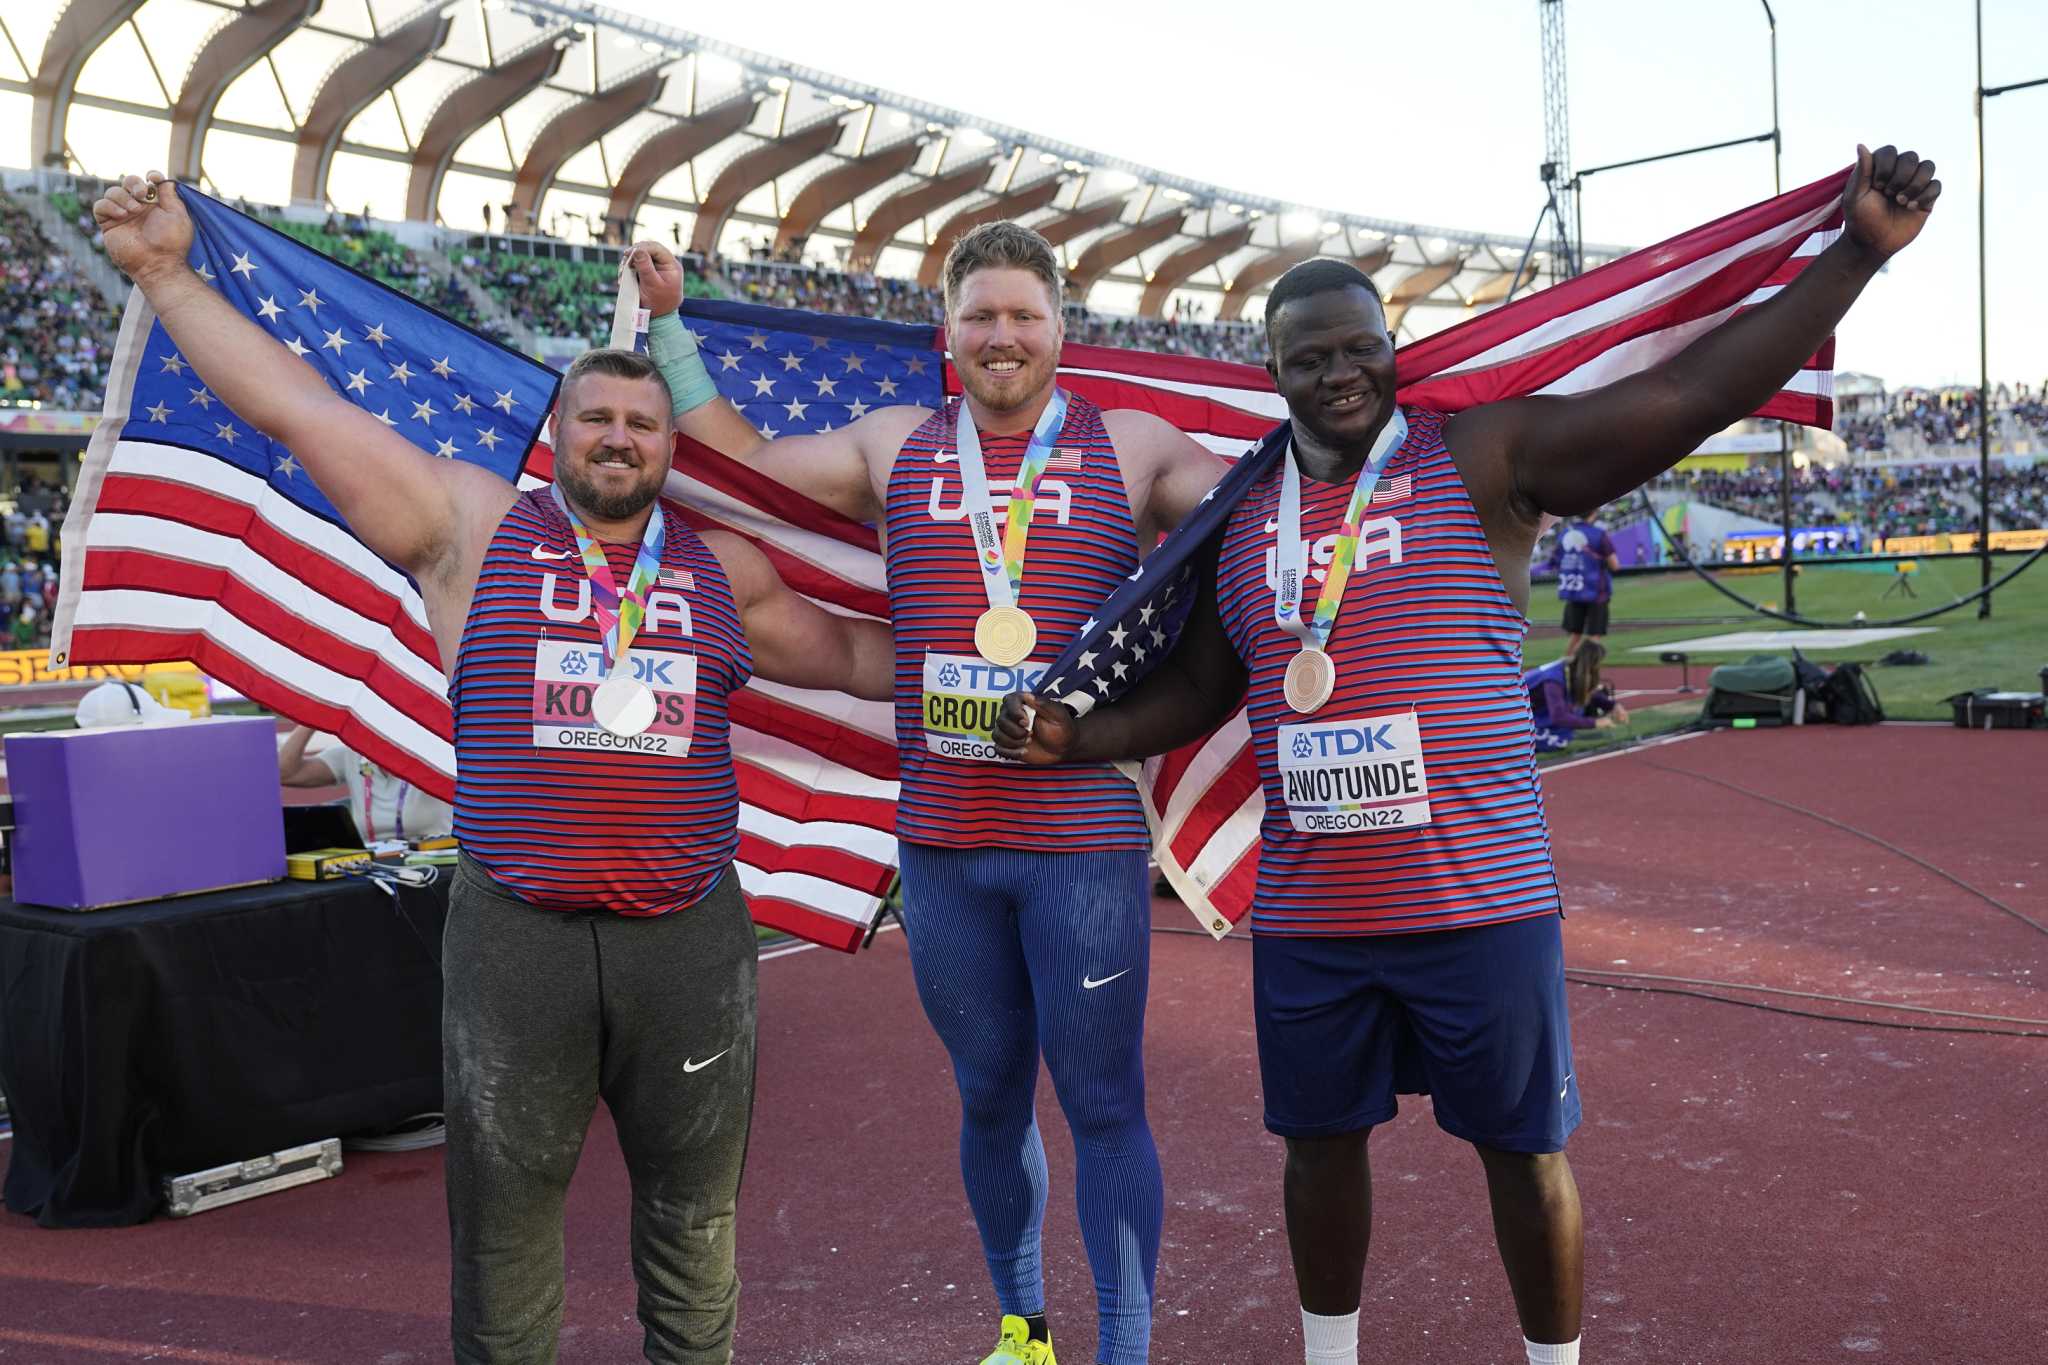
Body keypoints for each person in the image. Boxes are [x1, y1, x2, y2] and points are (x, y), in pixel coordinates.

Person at [991, 145, 1940, 1365]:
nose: (1339, 372)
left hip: (1477, 903)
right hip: (1314, 913)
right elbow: (1196, 691)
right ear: (1271, 372)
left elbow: (1688, 395)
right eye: (1310, 357)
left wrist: (1854, 253)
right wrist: (1080, 736)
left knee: (1524, 1156)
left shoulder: (1481, 458)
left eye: (1359, 347)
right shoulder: (1239, 516)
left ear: (1391, 349)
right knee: (1315, 1151)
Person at [93, 169, 895, 1365]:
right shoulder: (469, 528)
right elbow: (302, 411)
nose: (617, 438)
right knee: (504, 1231)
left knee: (694, 1223)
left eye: (641, 424)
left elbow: (860, 661)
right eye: (595, 419)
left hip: (687, 936)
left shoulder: (724, 573)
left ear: (670, 446)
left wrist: (1017, 663)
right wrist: (166, 274)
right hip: (517, 933)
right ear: (559, 434)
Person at [633, 222, 1229, 1365]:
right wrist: (667, 326)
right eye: (980, 315)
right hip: (945, 848)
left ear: (1061, 327)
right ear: (944, 329)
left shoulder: (1133, 445)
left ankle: (1125, 1350)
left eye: (1023, 315)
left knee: (1103, 1103)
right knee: (988, 1096)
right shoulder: (894, 443)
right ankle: (1023, 1329)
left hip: (1082, 843)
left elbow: (1264, 513)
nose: (1002, 336)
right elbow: (737, 463)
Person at [277, 723, 455, 844]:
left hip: (436, 862)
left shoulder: (435, 753)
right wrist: (312, 720)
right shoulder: (352, 755)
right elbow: (285, 773)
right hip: (380, 866)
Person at [1551, 516, 1617, 660]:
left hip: (1574, 591)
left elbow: (1555, 561)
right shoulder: (1599, 534)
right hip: (1596, 591)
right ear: (1593, 513)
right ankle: (1586, 670)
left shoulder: (1564, 534)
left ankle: (1566, 667)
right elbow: (1615, 565)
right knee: (1594, 636)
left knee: (1576, 634)